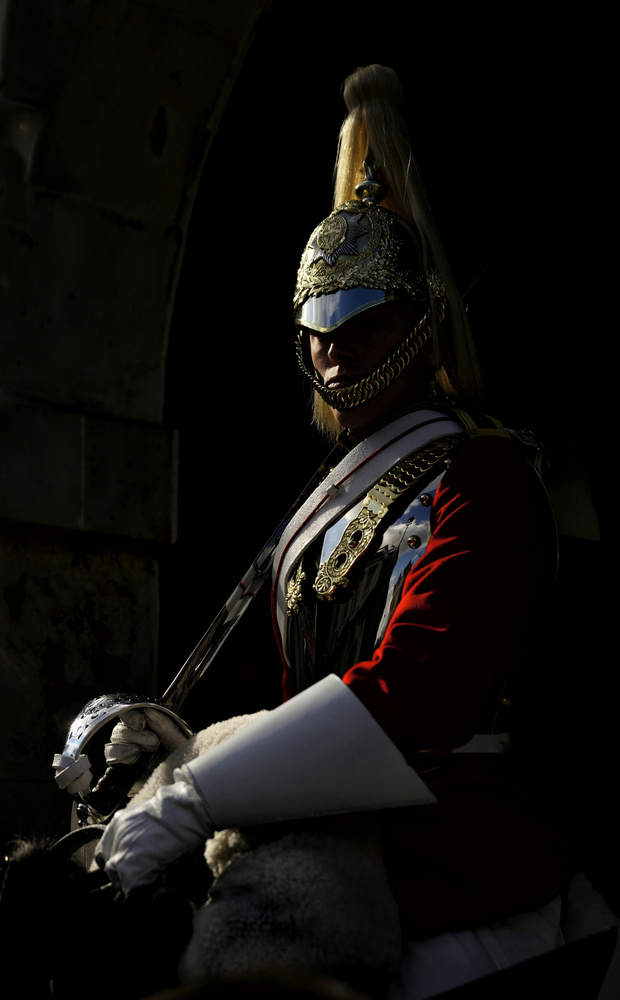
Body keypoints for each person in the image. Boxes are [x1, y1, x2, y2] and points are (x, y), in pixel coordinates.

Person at [91, 65, 577, 997]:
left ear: (422, 323)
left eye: (365, 323)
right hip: (321, 853)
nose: (335, 351)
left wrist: (196, 792)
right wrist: (183, 748)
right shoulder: (328, 502)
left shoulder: (483, 476)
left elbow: (422, 690)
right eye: (320, 328)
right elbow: (292, 703)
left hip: (454, 868)